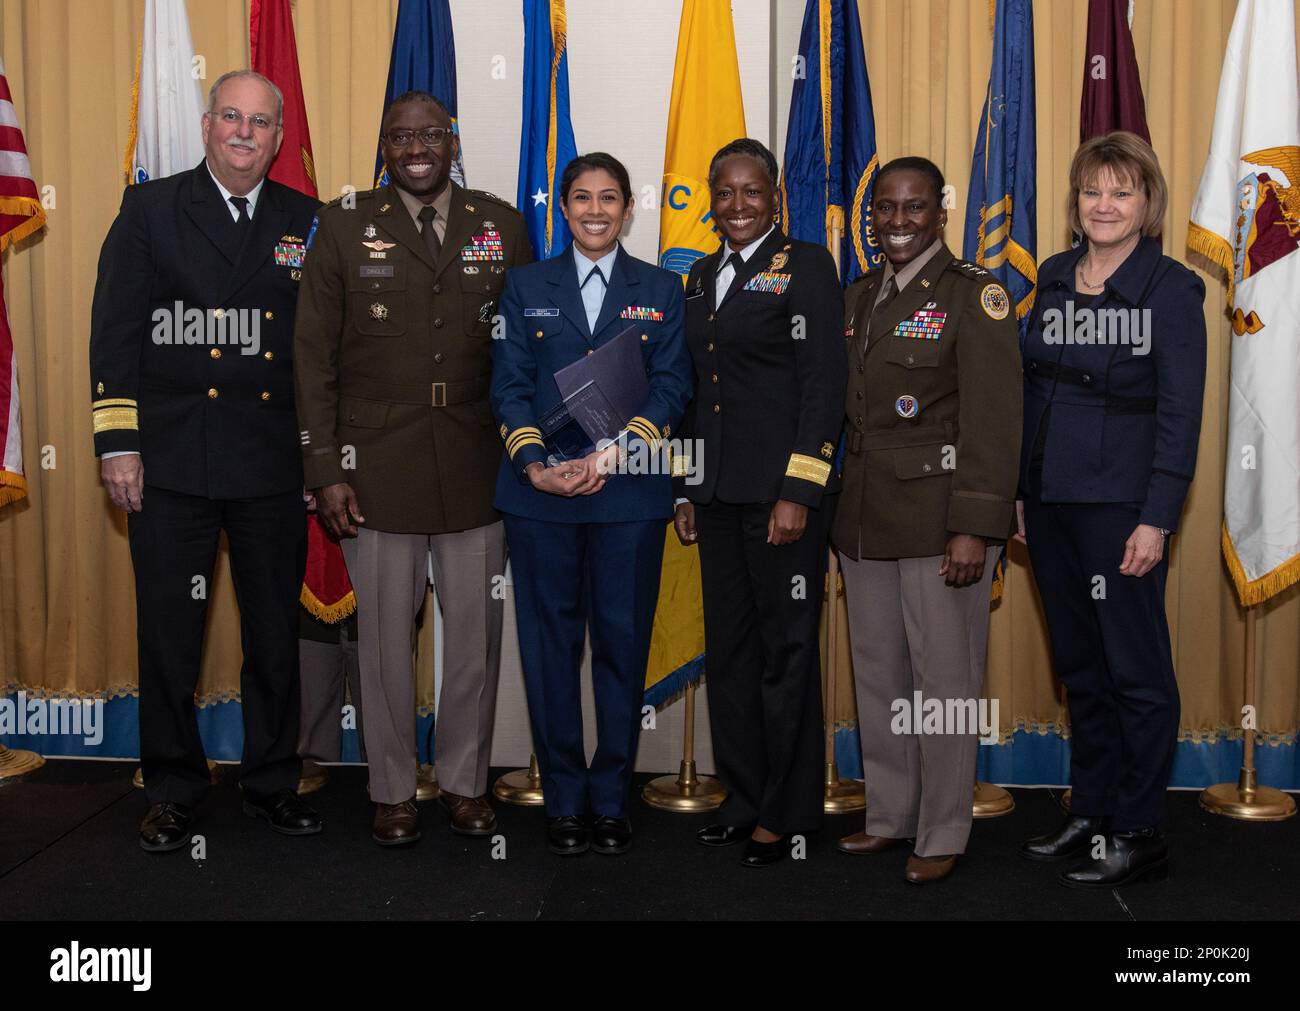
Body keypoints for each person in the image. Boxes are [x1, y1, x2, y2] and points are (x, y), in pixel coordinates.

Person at [91, 69, 323, 852]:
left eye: (261, 122)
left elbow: (320, 352)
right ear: (205, 124)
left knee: (271, 634)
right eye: (232, 116)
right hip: (172, 460)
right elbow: (116, 332)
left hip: (268, 462)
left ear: (279, 136)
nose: (244, 133)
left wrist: (323, 459)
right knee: (169, 634)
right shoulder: (151, 210)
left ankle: (271, 782)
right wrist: (117, 441)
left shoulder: (307, 221)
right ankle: (173, 787)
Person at [293, 91, 532, 846]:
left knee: (475, 640)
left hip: (474, 460)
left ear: (452, 141)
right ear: (383, 146)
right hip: (375, 467)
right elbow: (312, 358)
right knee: (385, 644)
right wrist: (326, 466)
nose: (417, 147)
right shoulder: (341, 224)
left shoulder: (501, 224)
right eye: (401, 137)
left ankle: (463, 781)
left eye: (431, 134)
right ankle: (393, 786)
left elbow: (525, 348)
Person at [1017, 131, 1205, 887]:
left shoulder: (1171, 288)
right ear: (1077, 200)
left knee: (1136, 671)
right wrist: (1021, 495)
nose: (1104, 204)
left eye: (1121, 191)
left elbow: (1180, 412)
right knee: (1081, 668)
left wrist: (1157, 515)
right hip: (1052, 503)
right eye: (1093, 190)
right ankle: (1091, 813)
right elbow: (1035, 390)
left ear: (1147, 203)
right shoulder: (1058, 274)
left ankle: (1140, 828)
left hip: (1121, 507)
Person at [492, 152, 690, 856]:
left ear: (628, 208)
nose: (596, 210)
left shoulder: (663, 287)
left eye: (610, 198)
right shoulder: (523, 285)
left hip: (627, 494)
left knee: (621, 647)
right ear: (563, 207)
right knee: (549, 651)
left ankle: (610, 797)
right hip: (540, 497)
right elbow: (508, 383)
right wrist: (536, 464)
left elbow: (673, 386)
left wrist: (618, 452)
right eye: (582, 198)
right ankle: (564, 797)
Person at [833, 156, 1022, 885]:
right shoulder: (859, 297)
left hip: (942, 523)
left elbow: (994, 421)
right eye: (885, 208)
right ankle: (891, 813)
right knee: (880, 675)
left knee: (943, 685)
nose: (899, 221)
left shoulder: (976, 296)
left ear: (940, 212)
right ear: (870, 216)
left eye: (914, 208)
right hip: (864, 521)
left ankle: (943, 827)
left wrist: (975, 526)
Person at [673, 138, 846, 868]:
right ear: (709, 201)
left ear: (776, 195)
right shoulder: (700, 276)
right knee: (734, 657)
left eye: (752, 191)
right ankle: (744, 797)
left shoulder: (805, 266)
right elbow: (688, 392)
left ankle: (789, 811)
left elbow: (823, 388)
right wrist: (683, 483)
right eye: (724, 192)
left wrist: (799, 491)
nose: (737, 204)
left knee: (788, 652)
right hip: (714, 497)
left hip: (782, 501)